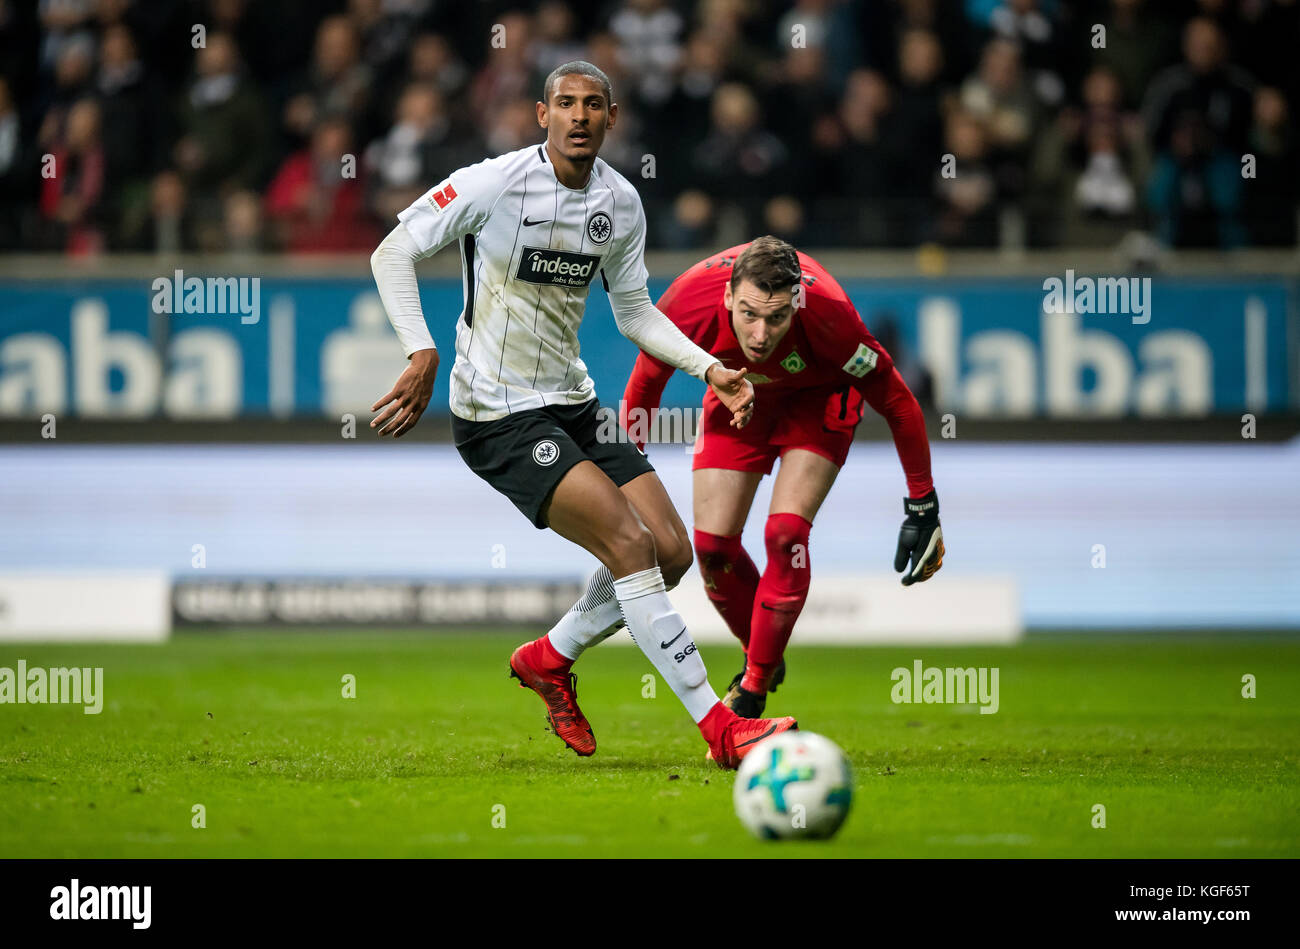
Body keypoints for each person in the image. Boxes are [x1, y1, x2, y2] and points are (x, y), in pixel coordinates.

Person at [368, 61, 797, 768]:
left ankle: (548, 657)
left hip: (573, 402)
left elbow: (633, 312)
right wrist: (420, 349)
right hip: (499, 416)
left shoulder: (621, 204)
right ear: (542, 114)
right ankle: (720, 728)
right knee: (629, 547)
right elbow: (394, 251)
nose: (578, 115)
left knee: (671, 551)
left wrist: (712, 369)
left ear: (611, 117)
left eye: (592, 104)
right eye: (564, 102)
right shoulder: (495, 182)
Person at [621, 236, 944, 717]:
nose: (759, 334)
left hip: (819, 402)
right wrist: (625, 487)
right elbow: (645, 386)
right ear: (727, 296)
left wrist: (923, 505)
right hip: (736, 394)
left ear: (797, 303)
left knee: (786, 532)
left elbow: (897, 400)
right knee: (711, 549)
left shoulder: (831, 316)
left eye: (776, 318)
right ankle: (765, 653)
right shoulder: (686, 304)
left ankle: (752, 689)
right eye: (748, 313)